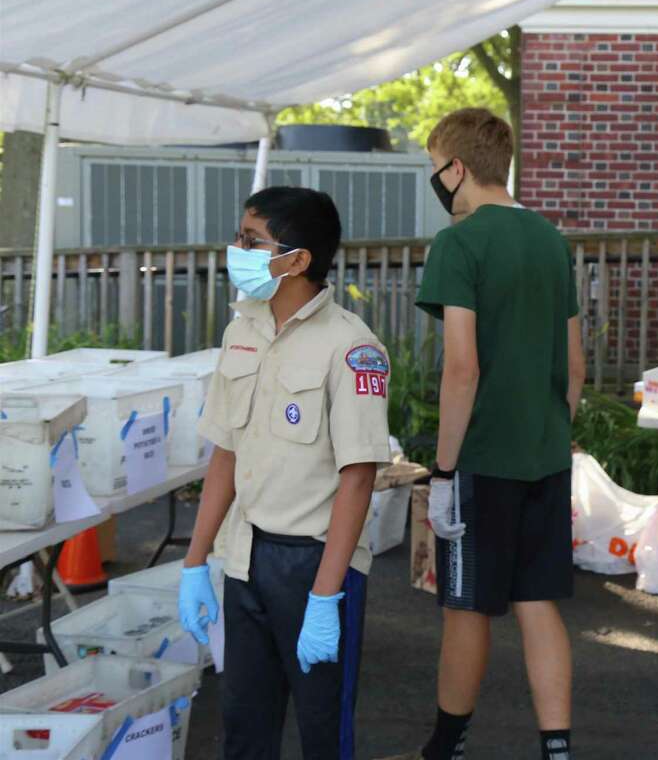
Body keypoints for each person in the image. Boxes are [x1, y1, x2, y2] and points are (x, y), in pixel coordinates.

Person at [384, 108, 586, 760]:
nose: (434, 180)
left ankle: (444, 749)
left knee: (466, 609)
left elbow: (462, 369)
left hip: (482, 460)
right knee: (538, 603)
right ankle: (557, 750)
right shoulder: (549, 239)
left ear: (456, 168)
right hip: (546, 455)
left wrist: (444, 472)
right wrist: (551, 431)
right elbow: (575, 368)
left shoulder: (459, 243)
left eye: (433, 168)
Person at [178, 187, 391, 760]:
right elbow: (226, 452)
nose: (236, 250)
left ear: (297, 260)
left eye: (252, 242)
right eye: (239, 237)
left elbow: (358, 477)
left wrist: (325, 595)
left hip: (316, 563)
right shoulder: (241, 331)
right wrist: (195, 562)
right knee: (244, 725)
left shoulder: (352, 347)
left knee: (323, 730)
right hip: (246, 555)